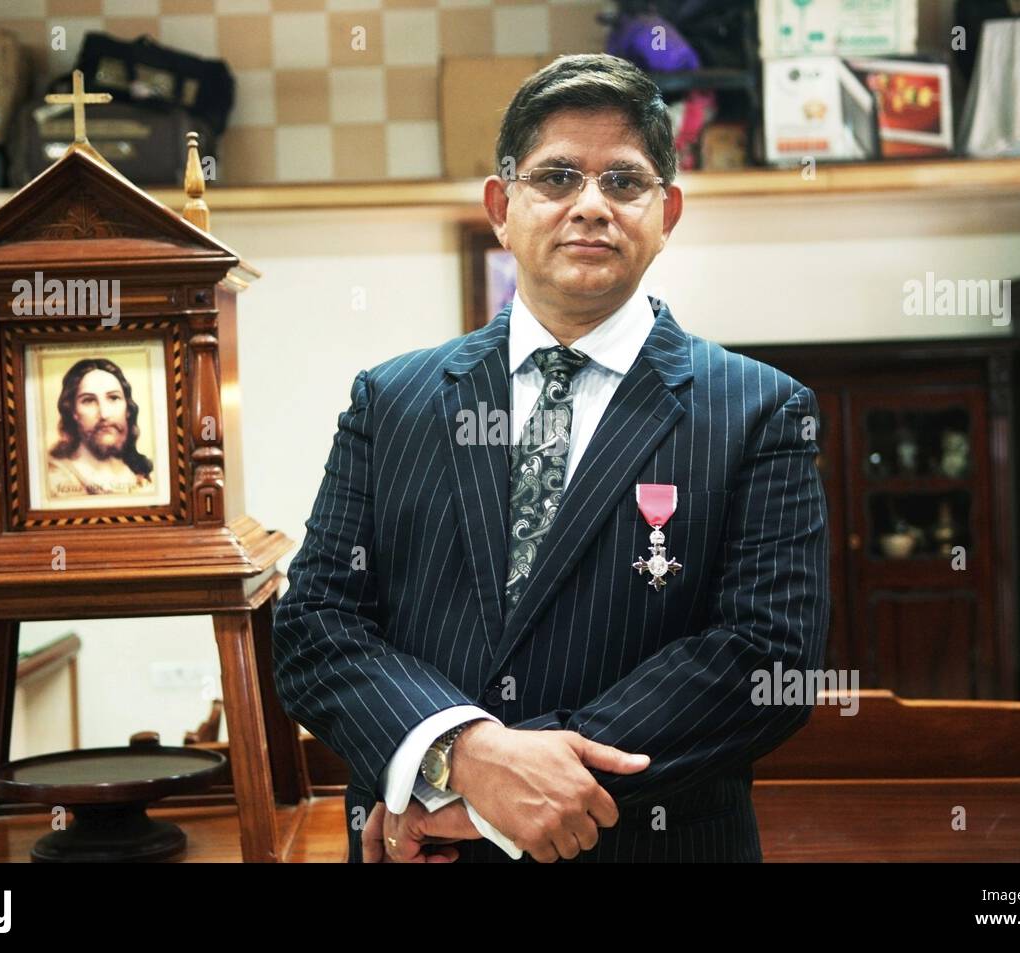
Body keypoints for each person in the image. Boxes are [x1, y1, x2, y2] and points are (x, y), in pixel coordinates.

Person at [273, 52, 829, 863]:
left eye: (626, 182)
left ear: (668, 212)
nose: (591, 206)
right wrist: (460, 755)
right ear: (502, 205)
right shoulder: (391, 401)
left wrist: (508, 793)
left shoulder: (760, 411)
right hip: (425, 847)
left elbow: (764, 654)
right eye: (557, 177)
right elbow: (315, 625)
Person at [46, 357, 153, 497]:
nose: (104, 414)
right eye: (89, 400)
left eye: (113, 398)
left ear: (128, 409)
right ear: (73, 411)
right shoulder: (54, 479)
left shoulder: (141, 475)